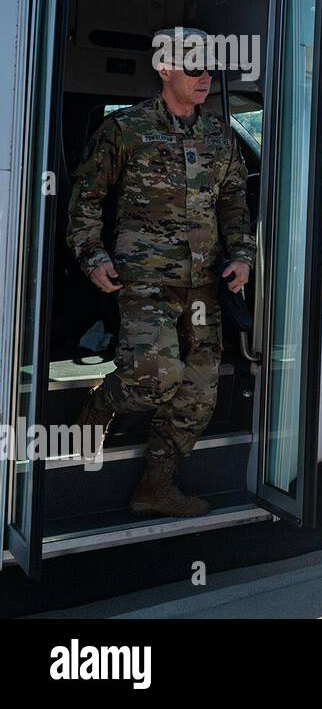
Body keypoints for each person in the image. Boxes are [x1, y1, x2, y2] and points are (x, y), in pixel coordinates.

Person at [71, 27, 254, 517]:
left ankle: (156, 485)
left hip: (204, 287)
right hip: (146, 281)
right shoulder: (124, 130)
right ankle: (101, 402)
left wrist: (242, 255)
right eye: (194, 68)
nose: (205, 77)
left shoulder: (218, 135)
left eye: (209, 68)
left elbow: (235, 202)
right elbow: (84, 200)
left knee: (198, 394)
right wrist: (94, 257)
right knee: (154, 379)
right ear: (165, 68)